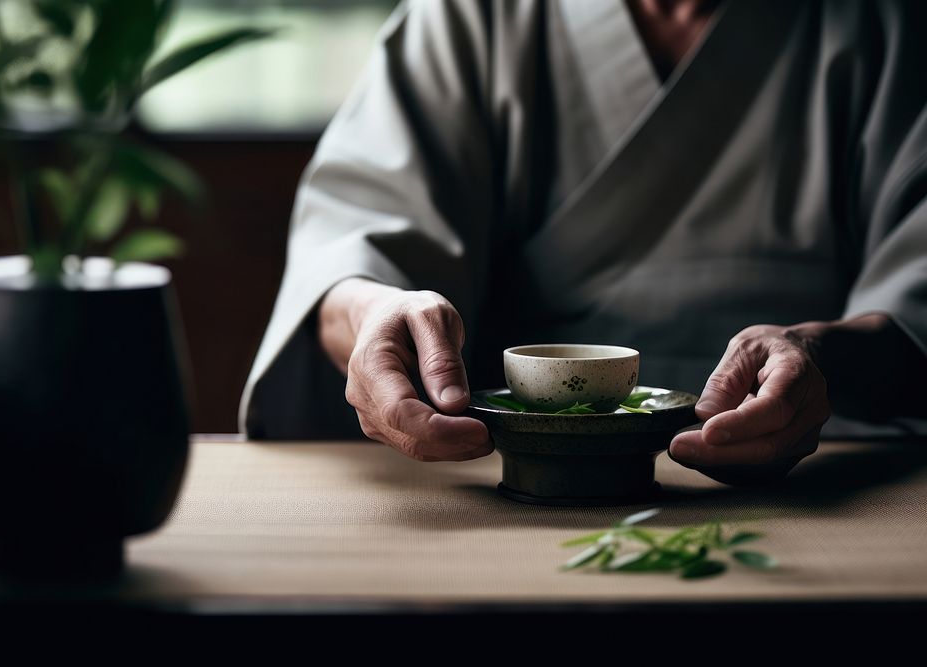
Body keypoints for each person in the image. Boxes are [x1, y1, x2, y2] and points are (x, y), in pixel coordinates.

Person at [240, 0, 927, 481]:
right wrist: (373, 317)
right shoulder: (467, 18)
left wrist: (820, 356)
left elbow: (912, 308)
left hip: (821, 467)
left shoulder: (891, 23)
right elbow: (352, 255)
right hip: (505, 480)